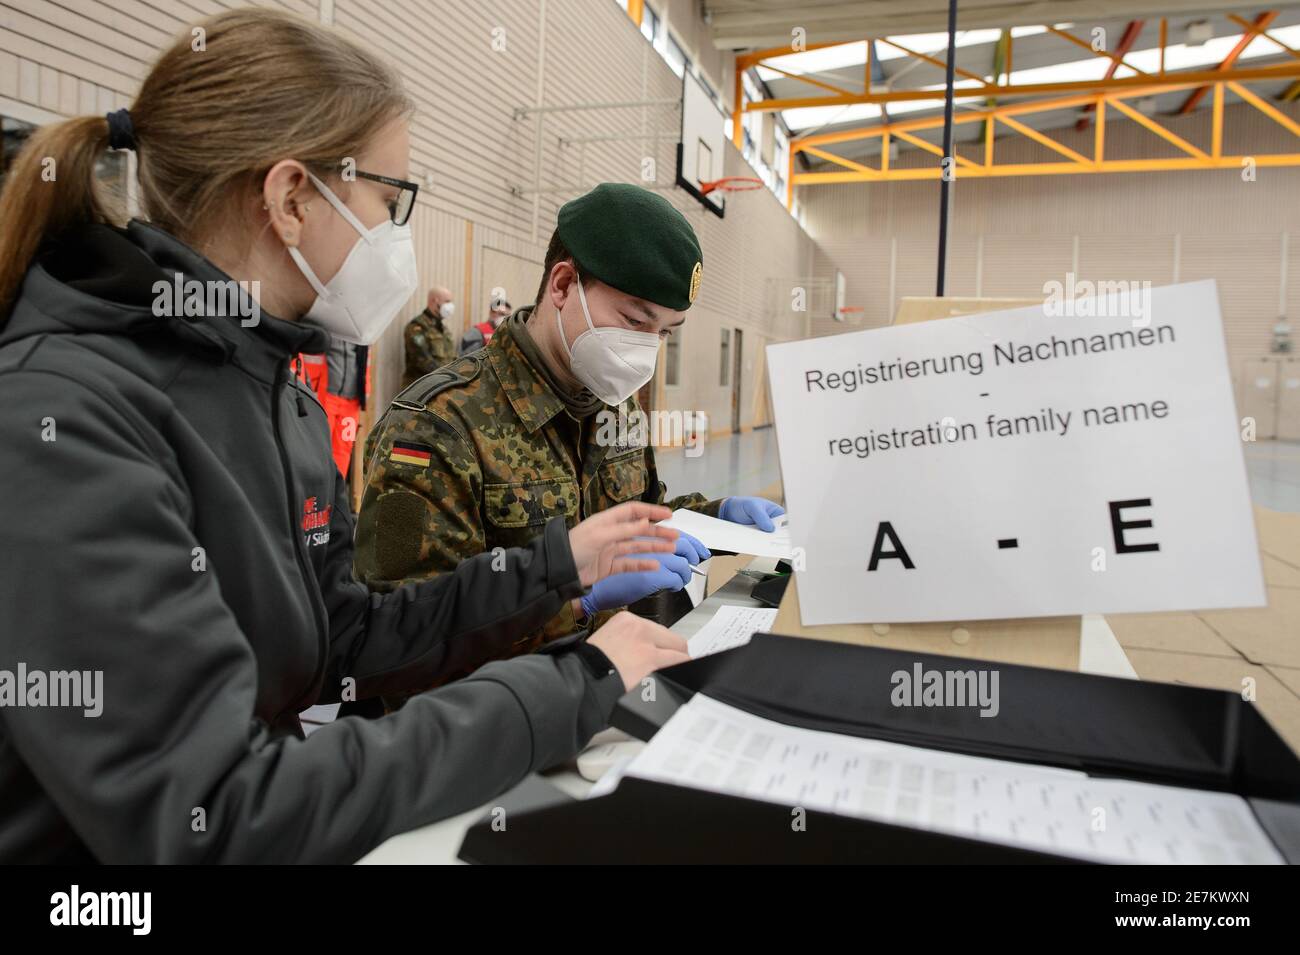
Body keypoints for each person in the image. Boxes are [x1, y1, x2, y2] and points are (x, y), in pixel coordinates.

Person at [0, 8, 688, 864]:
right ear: (292, 197)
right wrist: (567, 684)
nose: (395, 234)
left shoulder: (268, 390)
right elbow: (214, 813)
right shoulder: (65, 418)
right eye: (390, 199)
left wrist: (557, 566)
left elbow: (351, 641)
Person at [356, 183, 784, 696]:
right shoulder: (436, 427)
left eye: (665, 333)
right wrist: (575, 603)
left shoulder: (616, 403)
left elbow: (641, 511)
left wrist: (717, 520)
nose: (645, 351)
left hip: (605, 699)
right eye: (633, 321)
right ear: (561, 285)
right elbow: (402, 638)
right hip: (489, 729)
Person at [296, 336, 369, 477]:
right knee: (318, 447)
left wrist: (364, 395)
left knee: (344, 450)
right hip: (326, 397)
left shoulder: (361, 331)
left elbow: (366, 362)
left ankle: (336, 494)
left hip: (352, 402)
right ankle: (318, 492)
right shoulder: (328, 322)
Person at [402, 286, 456, 389]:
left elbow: (453, 358)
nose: (450, 306)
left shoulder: (444, 330)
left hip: (441, 388)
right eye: (447, 301)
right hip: (420, 391)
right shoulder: (416, 327)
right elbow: (422, 361)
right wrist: (450, 376)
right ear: (435, 301)